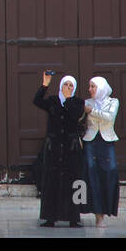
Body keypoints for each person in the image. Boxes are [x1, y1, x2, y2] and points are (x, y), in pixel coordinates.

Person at [32, 72, 85, 227]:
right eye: (65, 85)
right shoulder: (53, 101)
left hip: (71, 150)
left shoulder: (78, 102)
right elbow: (36, 101)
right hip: (54, 149)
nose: (67, 88)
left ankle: (74, 218)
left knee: (73, 183)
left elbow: (75, 115)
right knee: (51, 182)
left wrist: (68, 99)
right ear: (60, 86)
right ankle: (49, 217)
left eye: (70, 86)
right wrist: (45, 85)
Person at [83, 75, 120, 227]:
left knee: (110, 172)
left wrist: (91, 111)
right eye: (90, 86)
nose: (90, 89)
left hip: (107, 141)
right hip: (91, 142)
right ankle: (98, 215)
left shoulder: (113, 102)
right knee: (92, 175)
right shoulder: (86, 102)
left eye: (93, 86)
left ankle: (106, 211)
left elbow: (109, 118)